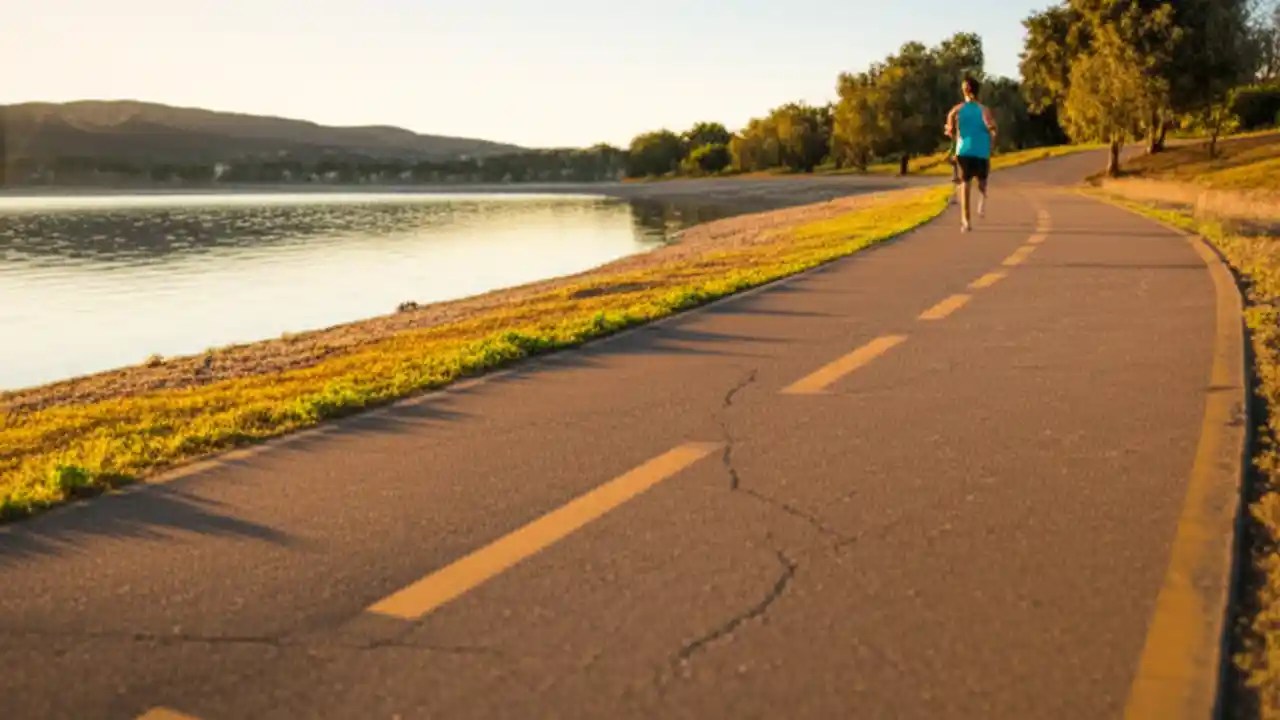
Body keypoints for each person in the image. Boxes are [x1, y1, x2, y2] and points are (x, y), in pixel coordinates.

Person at [945, 76, 998, 232]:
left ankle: (968, 218)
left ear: (967, 90)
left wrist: (949, 130)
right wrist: (992, 137)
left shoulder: (966, 109)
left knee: (972, 183)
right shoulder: (975, 109)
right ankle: (967, 219)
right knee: (969, 183)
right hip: (970, 151)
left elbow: (950, 121)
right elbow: (992, 127)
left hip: (974, 150)